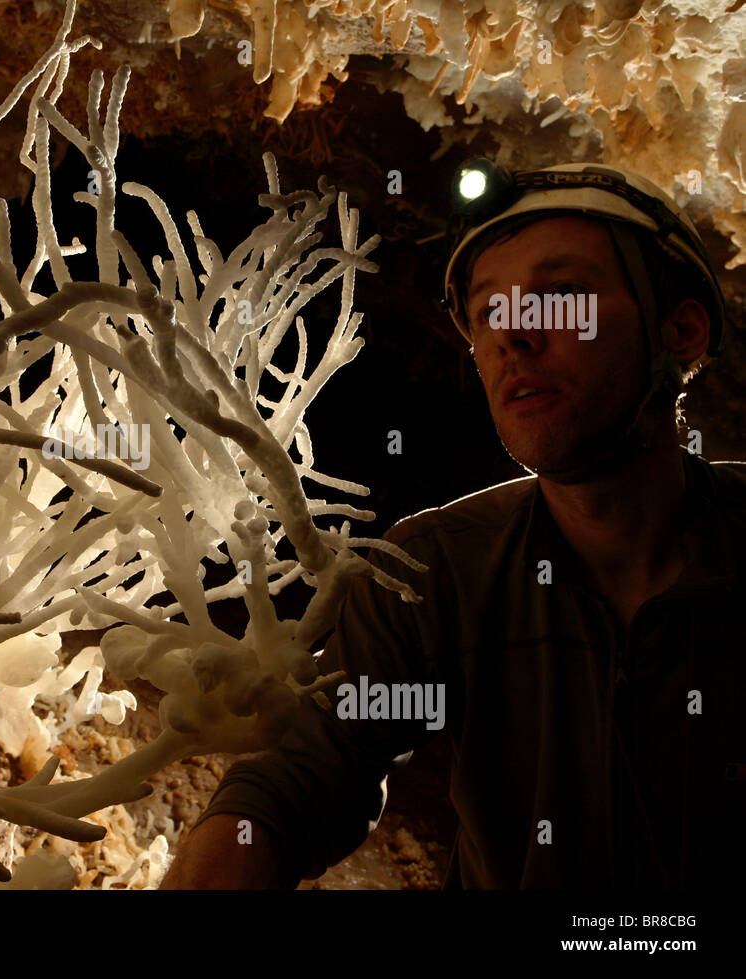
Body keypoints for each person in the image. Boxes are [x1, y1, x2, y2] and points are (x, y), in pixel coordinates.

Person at [160, 162, 745, 889]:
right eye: (489, 311)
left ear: (681, 329)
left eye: (562, 298)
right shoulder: (437, 572)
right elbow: (308, 770)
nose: (514, 338)